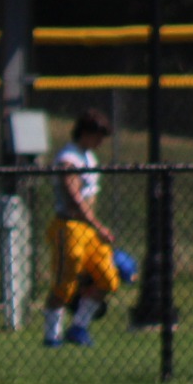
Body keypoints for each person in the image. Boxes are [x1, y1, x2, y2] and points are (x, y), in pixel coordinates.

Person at [44, 109, 121, 348]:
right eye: (98, 136)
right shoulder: (70, 158)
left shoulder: (89, 157)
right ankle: (52, 335)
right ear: (86, 133)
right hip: (70, 226)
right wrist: (98, 225)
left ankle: (78, 327)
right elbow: (75, 199)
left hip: (88, 229)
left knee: (107, 278)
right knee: (65, 283)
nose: (100, 142)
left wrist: (95, 227)